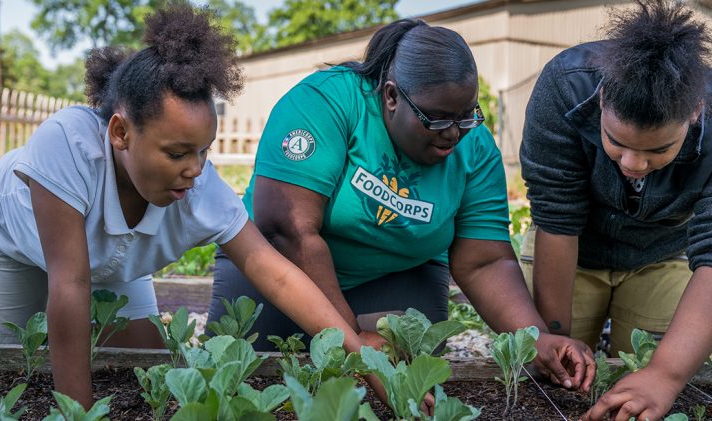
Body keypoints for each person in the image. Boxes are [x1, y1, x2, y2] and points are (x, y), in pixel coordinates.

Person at [0, 4, 368, 409]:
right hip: (14, 248)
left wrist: (366, 361)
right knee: (12, 369)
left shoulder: (201, 188)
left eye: (204, 151)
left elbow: (277, 276)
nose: (195, 169)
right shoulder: (67, 145)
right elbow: (70, 284)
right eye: (177, 153)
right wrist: (79, 416)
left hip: (111, 262)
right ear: (120, 132)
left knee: (145, 372)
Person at [209, 18, 596, 391]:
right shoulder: (327, 102)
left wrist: (535, 338)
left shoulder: (474, 147)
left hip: (394, 274)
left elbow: (486, 261)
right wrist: (354, 341)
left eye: (465, 116)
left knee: (401, 385)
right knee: (250, 380)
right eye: (437, 118)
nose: (453, 134)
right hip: (279, 267)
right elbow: (287, 228)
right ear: (391, 96)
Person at [518, 1, 712, 419]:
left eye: (659, 149)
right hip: (572, 250)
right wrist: (555, 339)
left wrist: (666, 374)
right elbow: (557, 216)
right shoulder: (564, 85)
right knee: (535, 360)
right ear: (601, 100)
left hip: (663, 253)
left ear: (695, 113)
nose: (633, 164)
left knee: (674, 367)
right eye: (616, 142)